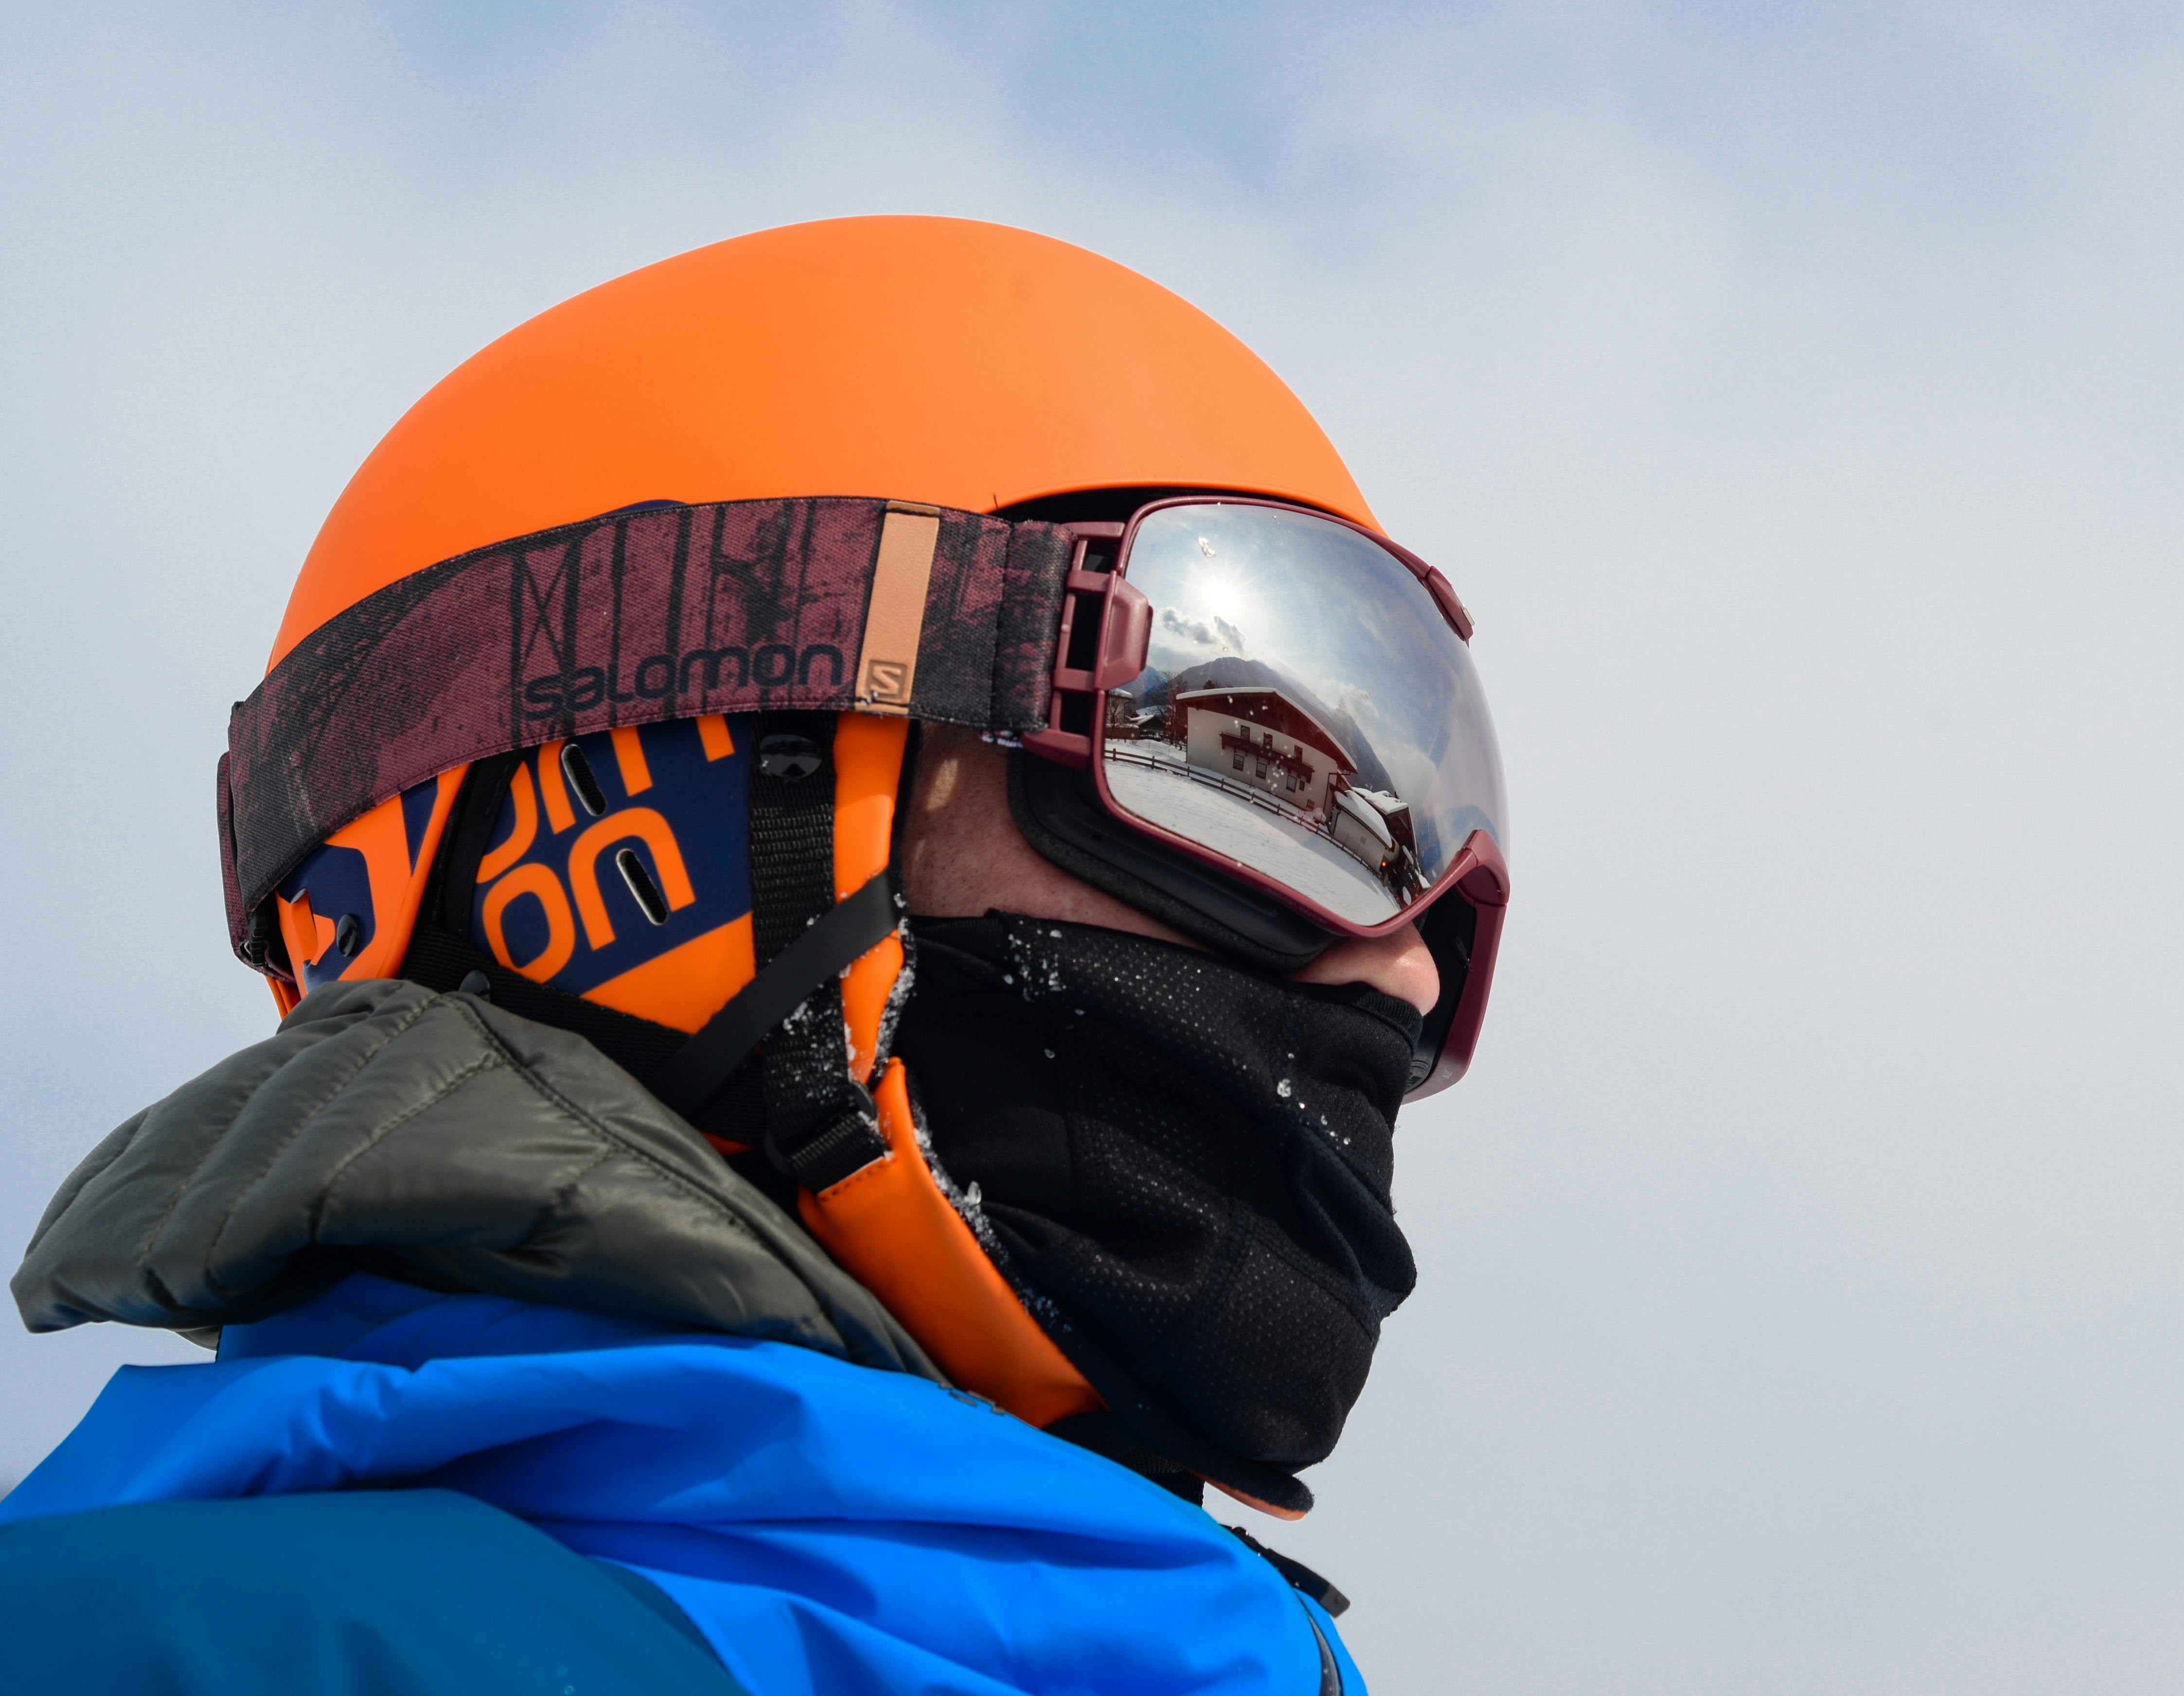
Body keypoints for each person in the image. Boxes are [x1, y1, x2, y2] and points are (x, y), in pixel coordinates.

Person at [0, 217, 1512, 1696]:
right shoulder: (159, 1652)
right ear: (669, 806)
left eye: (1415, 857)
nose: (1410, 977)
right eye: (1232, 775)